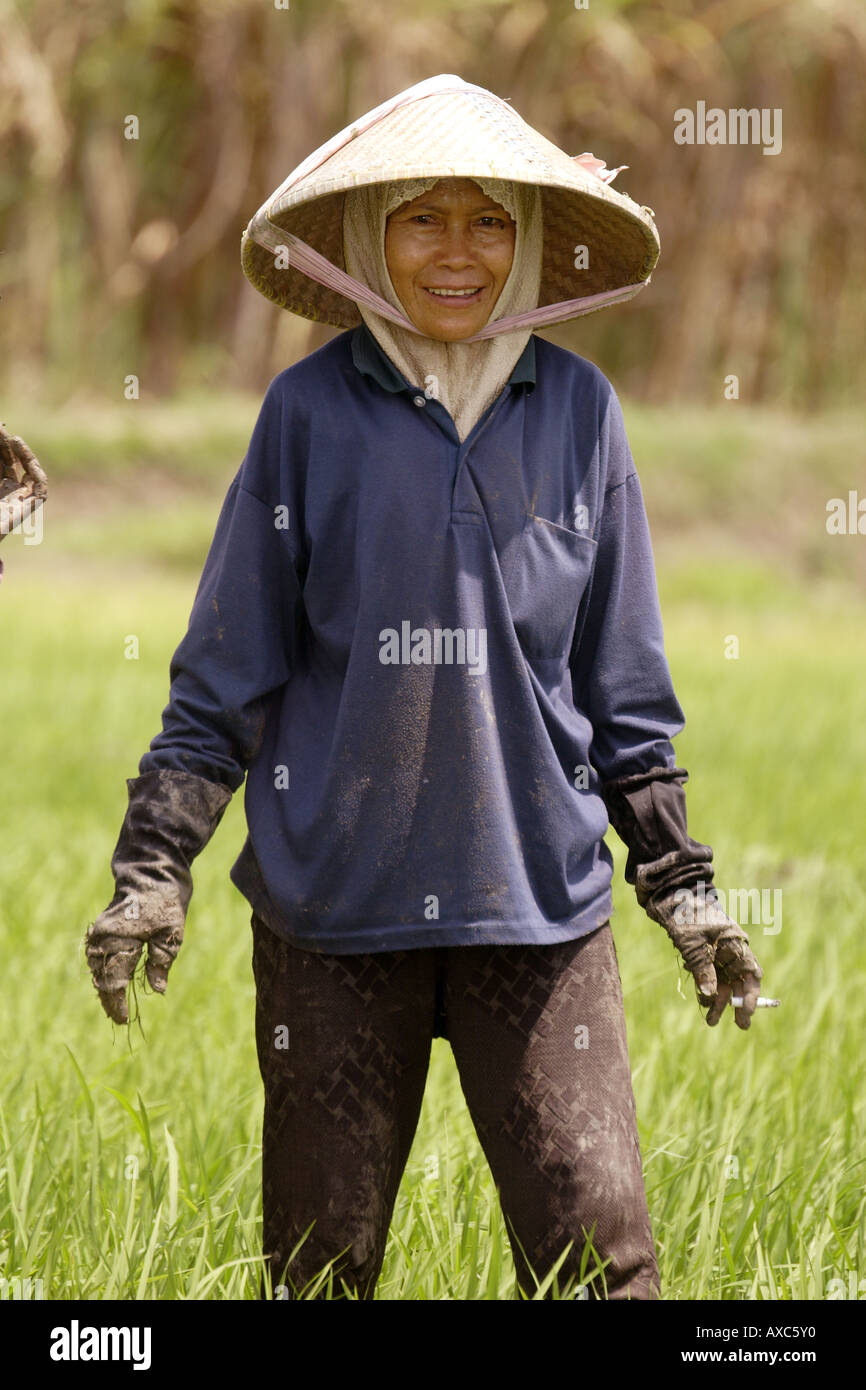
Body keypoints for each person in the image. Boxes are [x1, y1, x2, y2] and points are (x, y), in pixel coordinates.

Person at [85, 74, 763, 1301]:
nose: (457, 253)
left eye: (488, 221)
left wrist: (686, 888)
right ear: (362, 238)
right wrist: (151, 869)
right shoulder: (304, 416)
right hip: (334, 921)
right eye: (420, 219)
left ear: (529, 241)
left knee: (602, 1267)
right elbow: (223, 674)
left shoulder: (581, 415)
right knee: (320, 1270)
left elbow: (625, 692)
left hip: (539, 915)